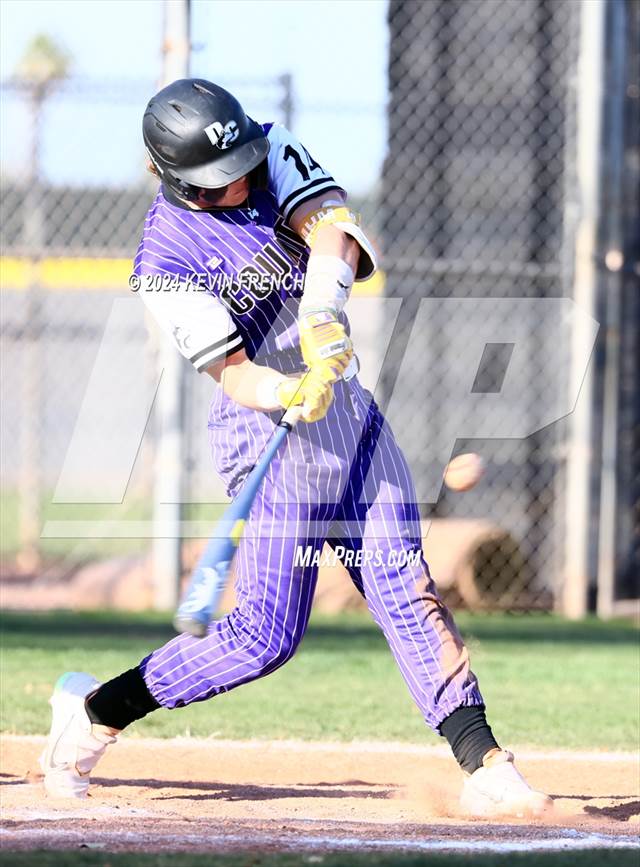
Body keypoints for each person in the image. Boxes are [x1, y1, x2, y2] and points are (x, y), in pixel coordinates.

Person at [41, 78, 551, 818]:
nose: (241, 184)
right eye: (219, 185)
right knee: (262, 639)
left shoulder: (269, 144)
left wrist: (321, 317)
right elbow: (236, 375)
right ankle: (92, 714)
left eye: (242, 167)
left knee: (402, 582)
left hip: (350, 416)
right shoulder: (163, 263)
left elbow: (332, 227)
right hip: (268, 437)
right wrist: (286, 391)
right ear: (168, 179)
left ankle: (486, 764)